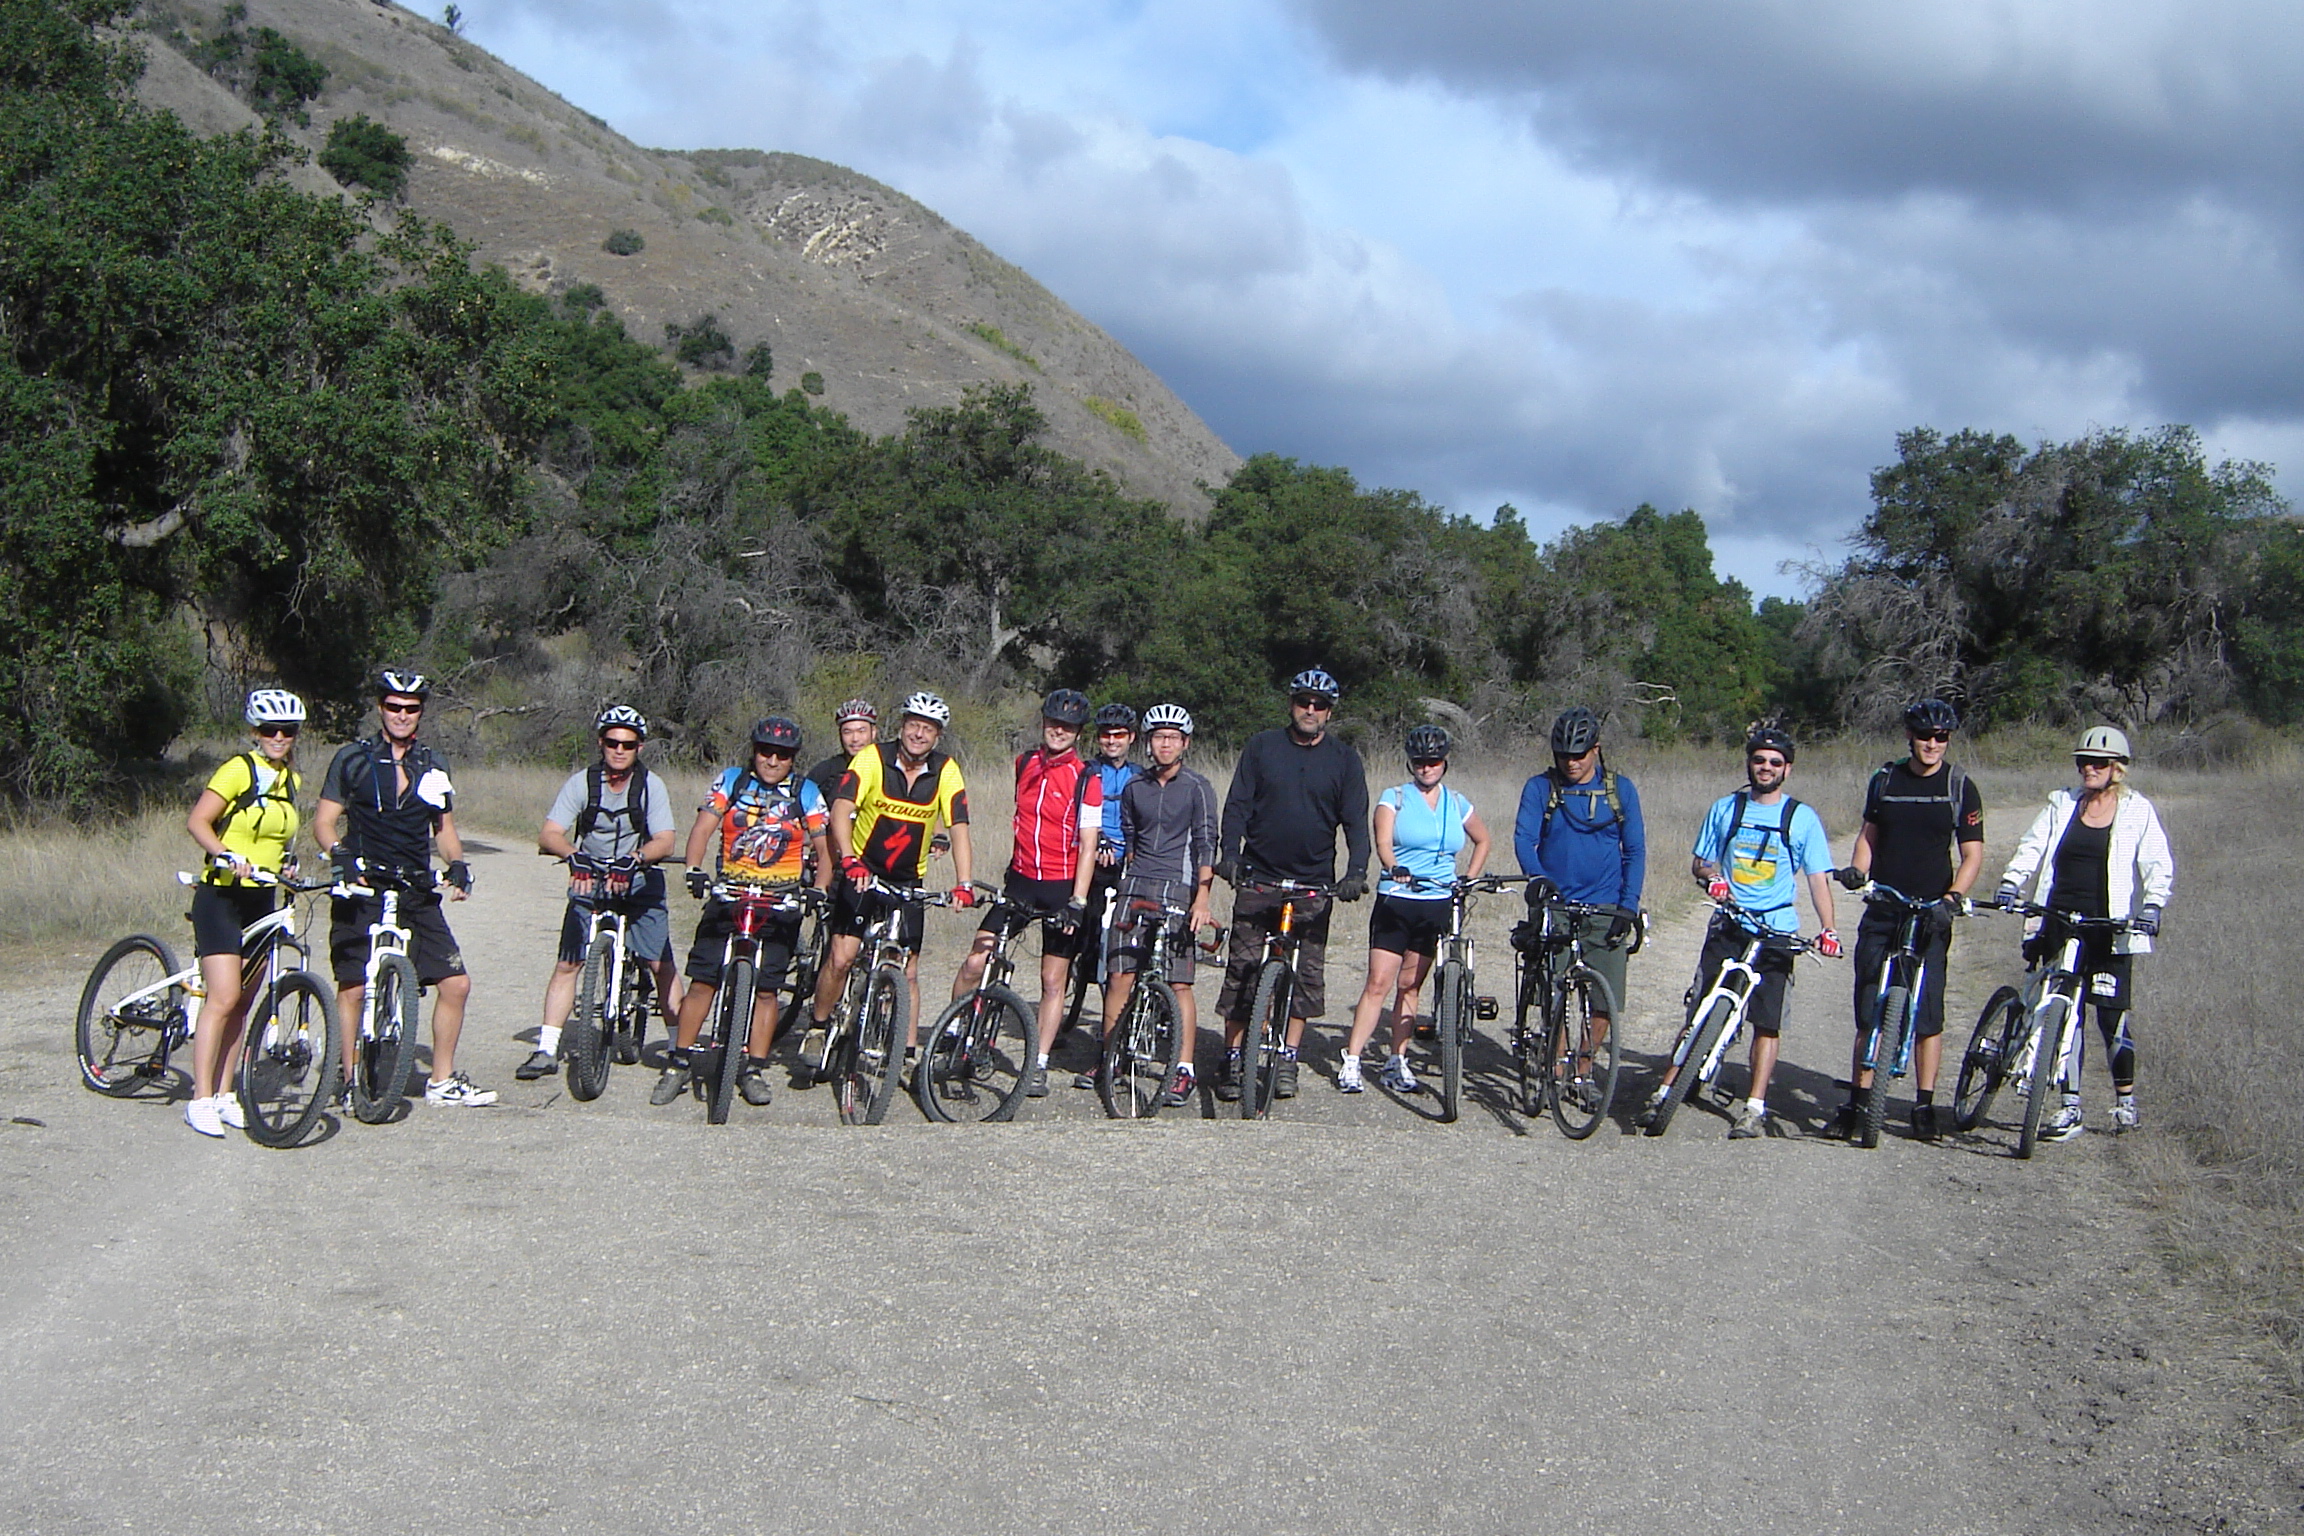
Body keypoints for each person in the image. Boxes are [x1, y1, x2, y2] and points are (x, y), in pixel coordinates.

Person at [1642, 727, 1839, 1139]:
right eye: (1759, 760)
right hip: (1730, 922)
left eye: (1775, 762)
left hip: (1777, 931)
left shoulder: (1801, 818)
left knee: (1767, 1024)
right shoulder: (1726, 808)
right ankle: (1664, 1090)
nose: (1766, 768)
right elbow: (1701, 861)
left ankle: (1754, 1106)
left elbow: (1819, 879)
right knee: (1699, 1009)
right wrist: (1712, 878)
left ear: (1787, 769)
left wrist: (1829, 929)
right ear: (1749, 763)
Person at [314, 670, 491, 1106]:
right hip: (363, 882)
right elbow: (323, 821)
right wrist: (338, 853)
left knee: (456, 984)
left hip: (413, 885)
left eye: (411, 709)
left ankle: (442, 1080)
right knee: (354, 987)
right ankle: (349, 1076)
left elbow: (444, 829)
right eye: (393, 706)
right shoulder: (352, 758)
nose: (401, 715)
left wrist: (457, 863)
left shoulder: (433, 763)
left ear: (421, 713)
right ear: (380, 708)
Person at [1993, 725, 2174, 1139]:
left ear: (2117, 769)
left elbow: (2157, 863)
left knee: (2110, 1017)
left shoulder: (2137, 811)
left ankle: (2125, 1103)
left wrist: (2151, 906)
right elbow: (2032, 845)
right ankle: (2068, 1105)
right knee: (2065, 1010)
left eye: (2098, 763)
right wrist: (2011, 881)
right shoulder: (2061, 803)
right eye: (2083, 762)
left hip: (2109, 927)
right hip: (2058, 917)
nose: (2088, 769)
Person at [650, 716, 833, 1108]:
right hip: (730, 891)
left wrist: (817, 890)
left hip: (780, 899)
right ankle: (678, 1062)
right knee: (703, 981)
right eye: (765, 751)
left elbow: (823, 848)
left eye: (782, 755)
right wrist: (694, 870)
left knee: (767, 990)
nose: (772, 760)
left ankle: (753, 1068)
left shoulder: (806, 791)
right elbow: (702, 829)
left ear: (793, 758)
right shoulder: (732, 780)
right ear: (754, 752)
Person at [1213, 668, 1371, 1101]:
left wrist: (1356, 872)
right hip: (1259, 876)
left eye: (1319, 706)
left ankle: (1287, 1057)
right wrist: (1230, 854)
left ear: (1330, 713)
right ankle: (1231, 1057)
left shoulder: (1344, 760)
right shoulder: (1263, 747)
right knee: (1243, 972)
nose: (1311, 711)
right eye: (1304, 702)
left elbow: (1356, 822)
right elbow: (1237, 806)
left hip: (1314, 884)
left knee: (1306, 977)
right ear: (1292, 704)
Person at [1830, 698, 1984, 1141]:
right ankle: (1857, 1103)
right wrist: (1859, 870)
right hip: (1885, 904)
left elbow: (1972, 853)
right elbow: (1869, 835)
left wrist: (1953, 899)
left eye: (1941, 737)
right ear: (1910, 737)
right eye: (1924, 736)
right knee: (1868, 1005)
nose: (1932, 744)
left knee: (1928, 1011)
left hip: (1933, 908)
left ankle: (1923, 1104)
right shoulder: (1886, 780)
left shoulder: (1959, 785)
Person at [949, 690, 1101, 1097]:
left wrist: (1078, 901)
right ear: (1043, 724)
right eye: (1053, 723)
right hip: (1020, 880)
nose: (1058, 731)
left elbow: (1088, 845)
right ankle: (955, 1030)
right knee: (976, 960)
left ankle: (1039, 1062)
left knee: (1053, 979)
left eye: (1067, 727)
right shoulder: (1024, 764)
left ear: (1078, 734)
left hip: (1061, 887)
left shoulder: (1087, 778)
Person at [517, 706, 681, 1083]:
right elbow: (550, 833)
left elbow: (666, 840)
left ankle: (678, 1048)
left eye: (627, 744)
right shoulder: (582, 782)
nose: (619, 750)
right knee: (568, 964)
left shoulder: (650, 785)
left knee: (660, 963)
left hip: (638, 880)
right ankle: (546, 1048)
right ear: (600, 743)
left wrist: (635, 859)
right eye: (612, 742)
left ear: (639, 747)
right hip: (589, 877)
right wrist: (575, 857)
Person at [805, 692, 974, 1047]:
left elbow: (958, 827)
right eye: (913, 725)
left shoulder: (946, 770)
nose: (918, 734)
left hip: (908, 878)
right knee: (842, 956)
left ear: (937, 736)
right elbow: (840, 810)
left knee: (908, 971)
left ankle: (906, 1052)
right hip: (863, 870)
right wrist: (849, 859)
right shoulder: (871, 758)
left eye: (927, 729)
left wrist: (964, 882)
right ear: (901, 727)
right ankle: (818, 1027)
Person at [180, 689, 308, 1137]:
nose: (278, 738)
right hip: (221, 895)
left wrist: (288, 863)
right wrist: (224, 853)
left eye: (287, 731)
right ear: (255, 732)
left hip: (262, 897)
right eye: (270, 730)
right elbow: (199, 821)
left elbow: (280, 839)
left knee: (245, 1001)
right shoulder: (238, 770)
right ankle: (199, 1099)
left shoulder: (291, 781)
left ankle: (225, 1092)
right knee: (223, 996)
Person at [1339, 724, 1491, 1093]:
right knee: (1379, 982)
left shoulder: (1457, 802)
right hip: (1399, 898)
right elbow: (1384, 842)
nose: (1427, 768)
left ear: (1445, 763)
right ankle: (1353, 1060)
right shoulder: (1395, 798)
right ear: (1411, 764)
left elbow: (1483, 840)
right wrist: (1395, 868)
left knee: (1411, 986)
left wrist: (1467, 879)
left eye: (1434, 761)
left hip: (1437, 902)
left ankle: (1397, 1060)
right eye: (1420, 762)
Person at [1510, 706, 1645, 1101]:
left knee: (1605, 999)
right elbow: (1524, 839)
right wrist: (1541, 883)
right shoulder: (1540, 788)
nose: (1571, 762)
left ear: (1596, 750)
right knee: (1555, 991)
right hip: (1557, 904)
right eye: (1563, 755)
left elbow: (1634, 850)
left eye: (1579, 754)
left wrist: (1628, 906)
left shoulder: (1621, 790)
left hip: (1605, 906)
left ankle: (1583, 1069)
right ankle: (1555, 1064)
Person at [1101, 703, 1218, 1105]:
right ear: (1148, 742)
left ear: (1184, 743)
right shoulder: (1135, 786)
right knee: (1119, 975)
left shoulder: (1198, 787)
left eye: (1172, 737)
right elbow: (1131, 836)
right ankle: (1111, 1055)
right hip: (1136, 883)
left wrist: (1202, 897)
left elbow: (1206, 843)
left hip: (1179, 885)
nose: (1165, 744)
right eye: (1158, 737)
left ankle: (1183, 1067)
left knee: (1179, 981)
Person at [1068, 701, 1140, 1072]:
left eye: (1119, 735)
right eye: (1106, 735)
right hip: (1092, 860)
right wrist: (1096, 846)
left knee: (1124, 943)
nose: (1112, 741)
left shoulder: (1139, 774)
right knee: (1090, 932)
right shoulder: (1085, 771)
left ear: (1131, 738)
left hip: (1127, 864)